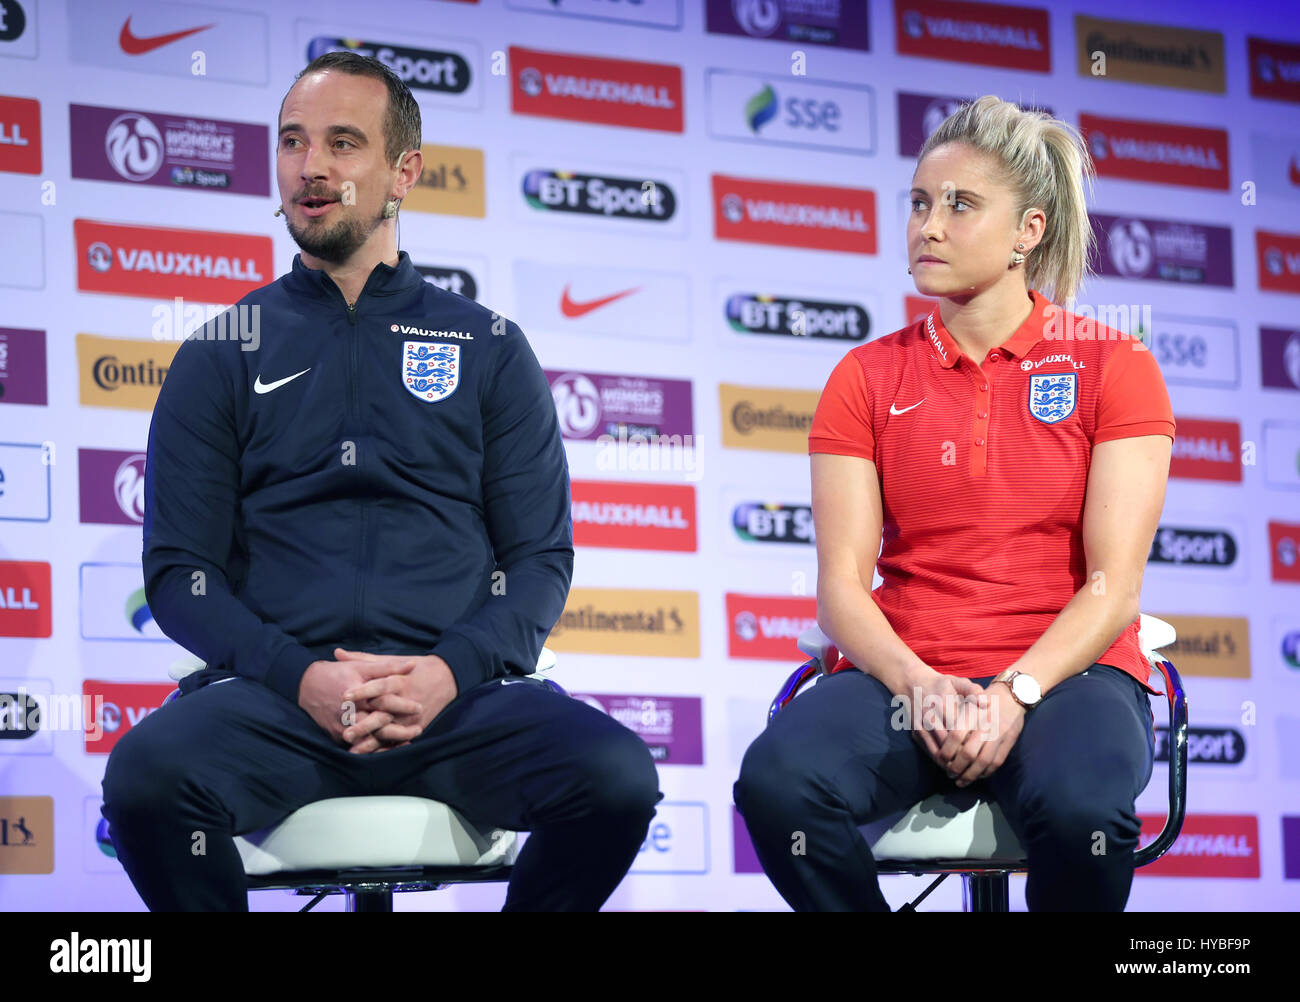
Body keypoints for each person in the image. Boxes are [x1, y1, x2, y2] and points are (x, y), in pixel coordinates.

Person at [101, 51, 661, 911]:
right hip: (279, 702)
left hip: (456, 702)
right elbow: (180, 576)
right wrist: (298, 676)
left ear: (405, 171)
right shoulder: (219, 351)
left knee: (617, 780)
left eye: (342, 143)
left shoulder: (490, 347)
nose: (310, 167)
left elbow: (540, 562)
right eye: (292, 142)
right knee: (146, 779)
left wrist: (448, 671)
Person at [734, 95, 1174, 912]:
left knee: (1083, 815)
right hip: (908, 674)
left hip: (1065, 676)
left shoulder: (1115, 366)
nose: (927, 227)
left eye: (961, 205)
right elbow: (841, 588)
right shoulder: (865, 378)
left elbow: (1114, 590)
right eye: (919, 203)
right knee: (777, 785)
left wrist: (1014, 694)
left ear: (1028, 233)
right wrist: (919, 685)